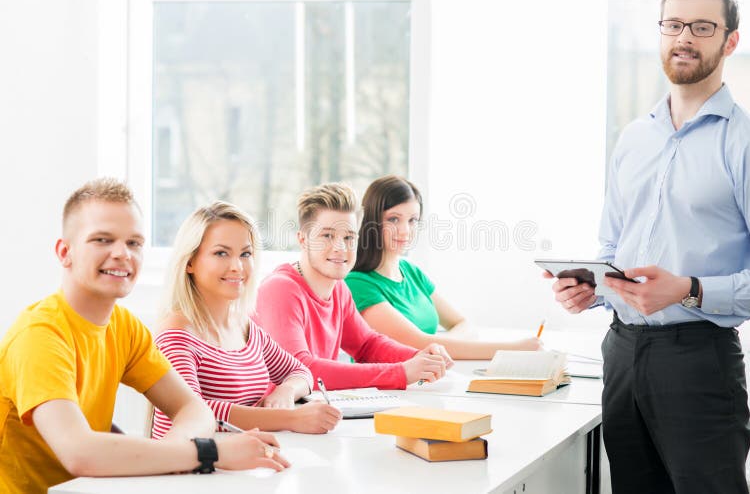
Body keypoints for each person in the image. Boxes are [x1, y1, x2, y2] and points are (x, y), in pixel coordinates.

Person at [546, 0, 750, 494]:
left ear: (729, 41)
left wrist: (689, 288)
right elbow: (613, 248)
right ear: (660, 33)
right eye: (673, 24)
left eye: (702, 27)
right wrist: (594, 287)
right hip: (620, 352)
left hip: (699, 361)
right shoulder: (634, 138)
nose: (684, 37)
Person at [0, 179, 287, 494]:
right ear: (65, 252)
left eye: (134, 243)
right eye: (102, 239)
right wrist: (208, 454)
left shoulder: (123, 325)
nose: (122, 254)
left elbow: (194, 409)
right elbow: (78, 453)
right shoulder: (40, 335)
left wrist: (175, 457)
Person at [152, 201, 342, 438]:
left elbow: (300, 372)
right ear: (189, 262)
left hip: (238, 463)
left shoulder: (245, 328)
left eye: (245, 253)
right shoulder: (175, 335)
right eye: (221, 253)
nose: (237, 266)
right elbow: (195, 412)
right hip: (189, 469)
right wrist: (292, 418)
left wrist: (285, 391)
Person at [254, 182, 452, 390]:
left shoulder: (339, 289)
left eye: (349, 237)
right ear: (303, 240)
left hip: (312, 411)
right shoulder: (280, 290)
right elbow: (300, 371)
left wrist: (419, 357)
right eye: (327, 235)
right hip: (271, 417)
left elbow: (367, 345)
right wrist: (401, 372)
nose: (340, 248)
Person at [346, 175, 541, 359]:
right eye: (393, 219)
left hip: (426, 383)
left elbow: (464, 324)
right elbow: (420, 344)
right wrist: (515, 349)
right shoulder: (357, 283)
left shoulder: (411, 273)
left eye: (412, 220)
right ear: (372, 220)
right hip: (384, 390)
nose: (405, 230)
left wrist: (443, 345)